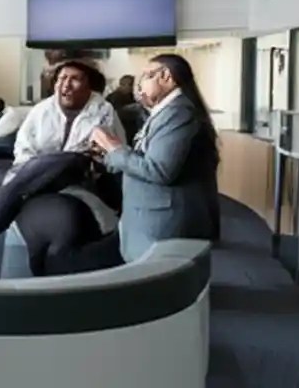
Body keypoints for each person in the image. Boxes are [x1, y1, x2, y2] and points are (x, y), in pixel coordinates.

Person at [0, 60, 126, 272]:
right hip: (38, 177)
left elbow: (106, 154)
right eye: (62, 79)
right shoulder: (42, 110)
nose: (66, 84)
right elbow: (23, 150)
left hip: (88, 179)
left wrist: (56, 161)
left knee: (71, 159)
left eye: (75, 79)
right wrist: (40, 169)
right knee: (44, 165)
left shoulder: (103, 110)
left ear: (88, 86)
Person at [91, 53, 221, 262]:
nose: (140, 84)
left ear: (166, 77)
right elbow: (144, 156)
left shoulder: (179, 113)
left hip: (160, 226)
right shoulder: (165, 112)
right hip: (146, 222)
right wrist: (107, 157)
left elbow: (159, 170)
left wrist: (113, 148)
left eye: (145, 76)